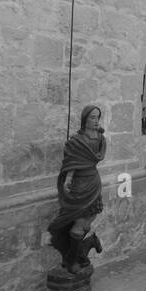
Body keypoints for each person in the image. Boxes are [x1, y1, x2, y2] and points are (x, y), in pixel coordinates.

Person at [47, 104, 106, 273]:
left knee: (91, 217)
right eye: (92, 117)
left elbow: (99, 157)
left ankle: (81, 252)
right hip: (79, 184)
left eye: (97, 117)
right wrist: (68, 179)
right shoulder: (77, 140)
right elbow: (72, 161)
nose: (95, 120)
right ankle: (73, 261)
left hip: (93, 181)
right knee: (78, 224)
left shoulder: (101, 138)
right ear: (85, 119)